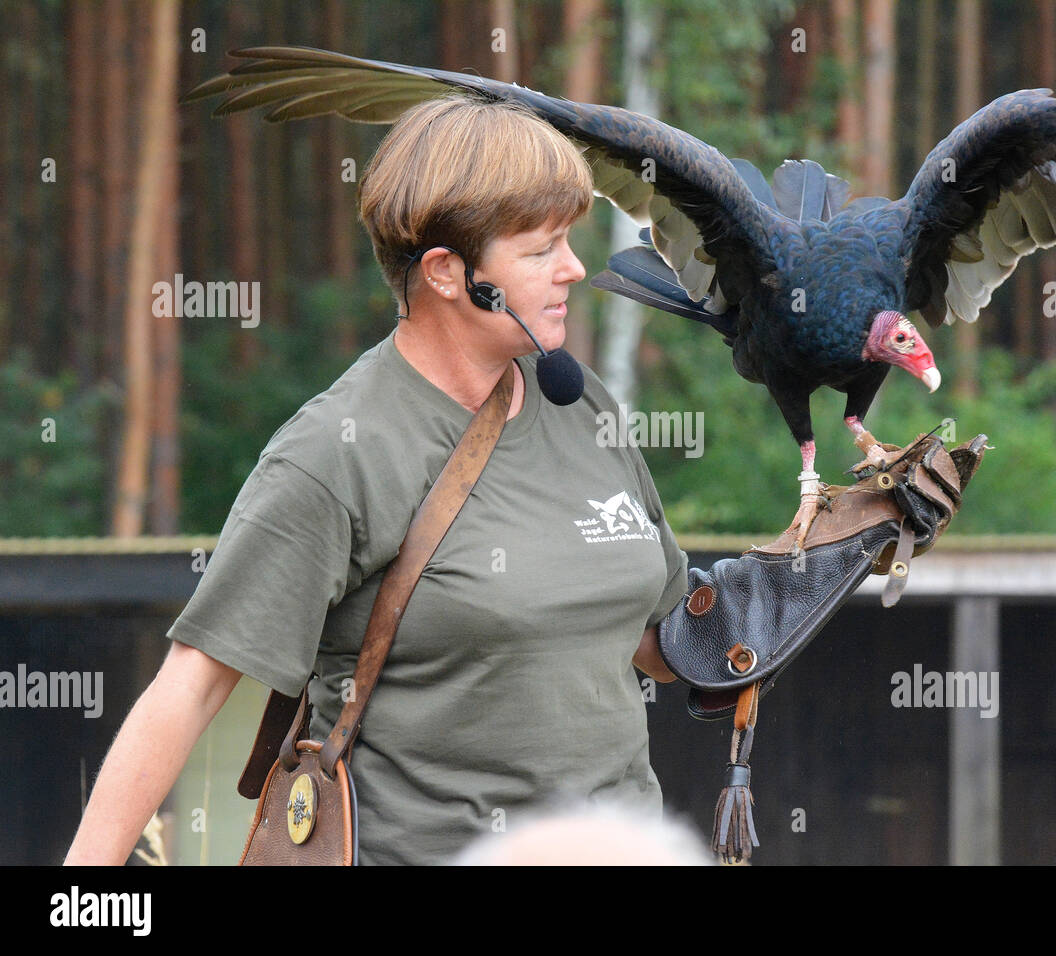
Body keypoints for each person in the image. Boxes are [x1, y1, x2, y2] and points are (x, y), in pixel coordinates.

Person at [65, 95, 689, 866]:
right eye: (540, 249)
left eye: (569, 239)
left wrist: (809, 570)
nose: (574, 268)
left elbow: (658, 642)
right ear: (448, 275)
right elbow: (190, 685)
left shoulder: (578, 401)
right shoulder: (335, 452)